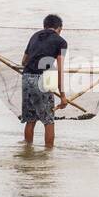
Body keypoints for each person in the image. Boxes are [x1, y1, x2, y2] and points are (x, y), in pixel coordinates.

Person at [20, 14, 68, 147]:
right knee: (48, 120)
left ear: (44, 26)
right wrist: (63, 96)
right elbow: (60, 70)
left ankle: (27, 148)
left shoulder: (35, 36)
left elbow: (24, 61)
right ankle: (48, 154)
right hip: (42, 81)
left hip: (26, 78)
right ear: (59, 28)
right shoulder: (61, 42)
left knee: (30, 119)